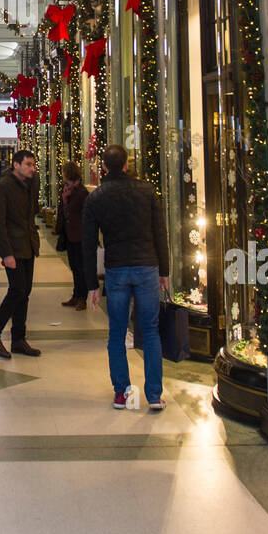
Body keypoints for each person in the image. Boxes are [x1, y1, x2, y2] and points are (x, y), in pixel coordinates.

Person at [82, 143, 170, 411]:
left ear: (104, 167)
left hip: (117, 270)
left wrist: (91, 285)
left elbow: (87, 244)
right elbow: (159, 232)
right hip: (146, 267)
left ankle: (121, 393)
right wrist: (164, 270)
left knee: (117, 333)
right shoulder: (147, 191)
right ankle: (154, 395)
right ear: (127, 164)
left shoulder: (96, 198)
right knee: (151, 332)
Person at [0, 148, 41, 359]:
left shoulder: (30, 184)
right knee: (17, 291)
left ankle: (18, 339)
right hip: (13, 248)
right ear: (16, 165)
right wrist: (5, 253)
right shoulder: (3, 187)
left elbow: (31, 212)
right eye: (28, 165)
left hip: (28, 245)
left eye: (33, 165)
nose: (32, 169)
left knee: (24, 293)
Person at [55, 161, 89, 310]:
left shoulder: (82, 192)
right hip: (69, 234)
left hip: (80, 234)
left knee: (81, 268)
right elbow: (63, 210)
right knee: (74, 267)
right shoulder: (65, 190)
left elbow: (87, 215)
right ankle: (76, 295)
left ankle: (83, 297)